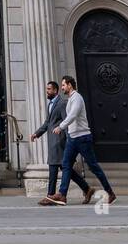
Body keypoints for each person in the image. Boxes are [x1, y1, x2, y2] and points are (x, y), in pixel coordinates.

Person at [40, 76, 116, 206]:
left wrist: (61, 126)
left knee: (93, 167)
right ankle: (62, 195)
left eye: (63, 85)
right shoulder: (70, 99)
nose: (62, 87)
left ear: (70, 85)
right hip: (72, 138)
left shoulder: (77, 98)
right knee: (66, 165)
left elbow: (73, 115)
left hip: (82, 138)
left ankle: (110, 193)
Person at [30, 80, 93, 202]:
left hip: (60, 143)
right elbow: (48, 123)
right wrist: (36, 134)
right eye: (46, 89)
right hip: (53, 143)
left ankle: (50, 196)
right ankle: (87, 189)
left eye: (49, 89)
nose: (46, 91)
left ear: (55, 90)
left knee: (53, 167)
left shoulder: (62, 103)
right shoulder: (50, 105)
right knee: (67, 170)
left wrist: (69, 141)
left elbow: (68, 122)